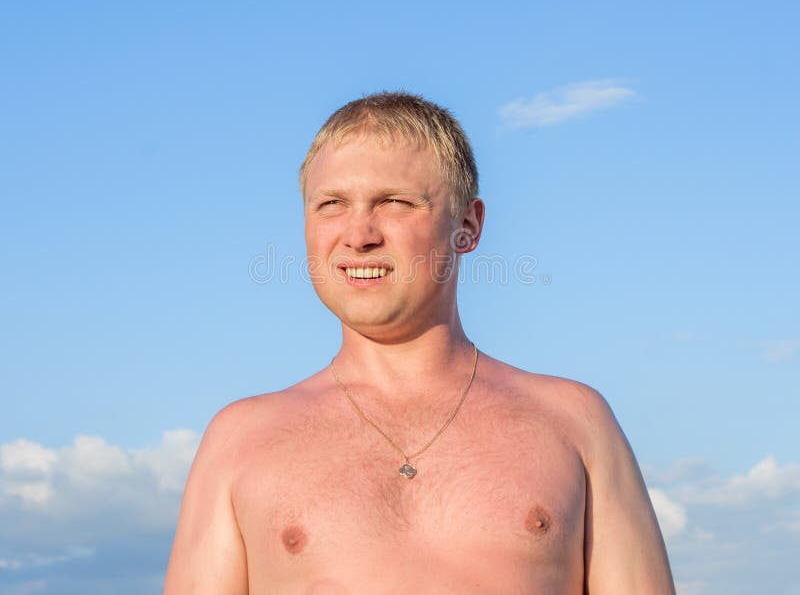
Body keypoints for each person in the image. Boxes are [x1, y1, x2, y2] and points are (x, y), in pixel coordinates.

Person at [164, 92, 675, 594]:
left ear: (468, 225)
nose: (358, 234)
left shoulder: (574, 423)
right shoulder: (242, 441)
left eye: (394, 202)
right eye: (331, 204)